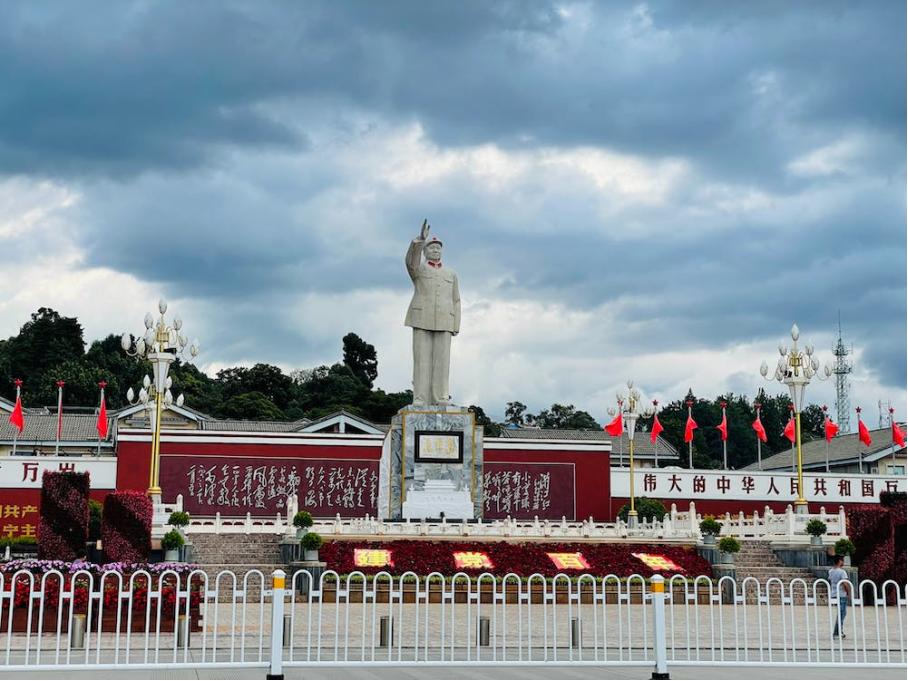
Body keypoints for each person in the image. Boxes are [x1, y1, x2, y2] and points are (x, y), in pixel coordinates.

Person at [404, 220, 461, 405]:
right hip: (421, 317)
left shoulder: (451, 273)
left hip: (445, 320)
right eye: (432, 248)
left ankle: (441, 397)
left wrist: (456, 324)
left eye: (438, 248)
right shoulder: (418, 269)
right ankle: (420, 397)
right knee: (422, 361)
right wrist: (420, 240)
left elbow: (456, 299)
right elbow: (410, 262)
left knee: (442, 363)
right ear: (425, 251)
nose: (435, 251)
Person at [829, 555, 850, 638]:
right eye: (842, 560)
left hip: (834, 593)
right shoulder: (842, 572)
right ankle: (837, 632)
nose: (843, 562)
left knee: (840, 613)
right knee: (842, 613)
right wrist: (848, 592)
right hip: (841, 594)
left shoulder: (831, 571)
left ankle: (837, 631)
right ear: (839, 561)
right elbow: (845, 583)